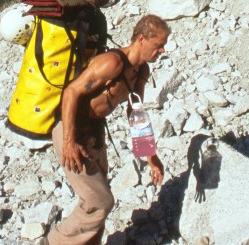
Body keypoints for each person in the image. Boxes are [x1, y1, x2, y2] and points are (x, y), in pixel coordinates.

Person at [48, 14, 170, 245]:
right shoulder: (111, 63)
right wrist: (68, 142)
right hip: (70, 129)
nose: (162, 50)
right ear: (141, 39)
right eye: (159, 45)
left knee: (99, 197)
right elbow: (71, 92)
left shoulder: (140, 72)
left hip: (94, 132)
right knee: (100, 201)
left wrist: (151, 156)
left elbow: (136, 114)